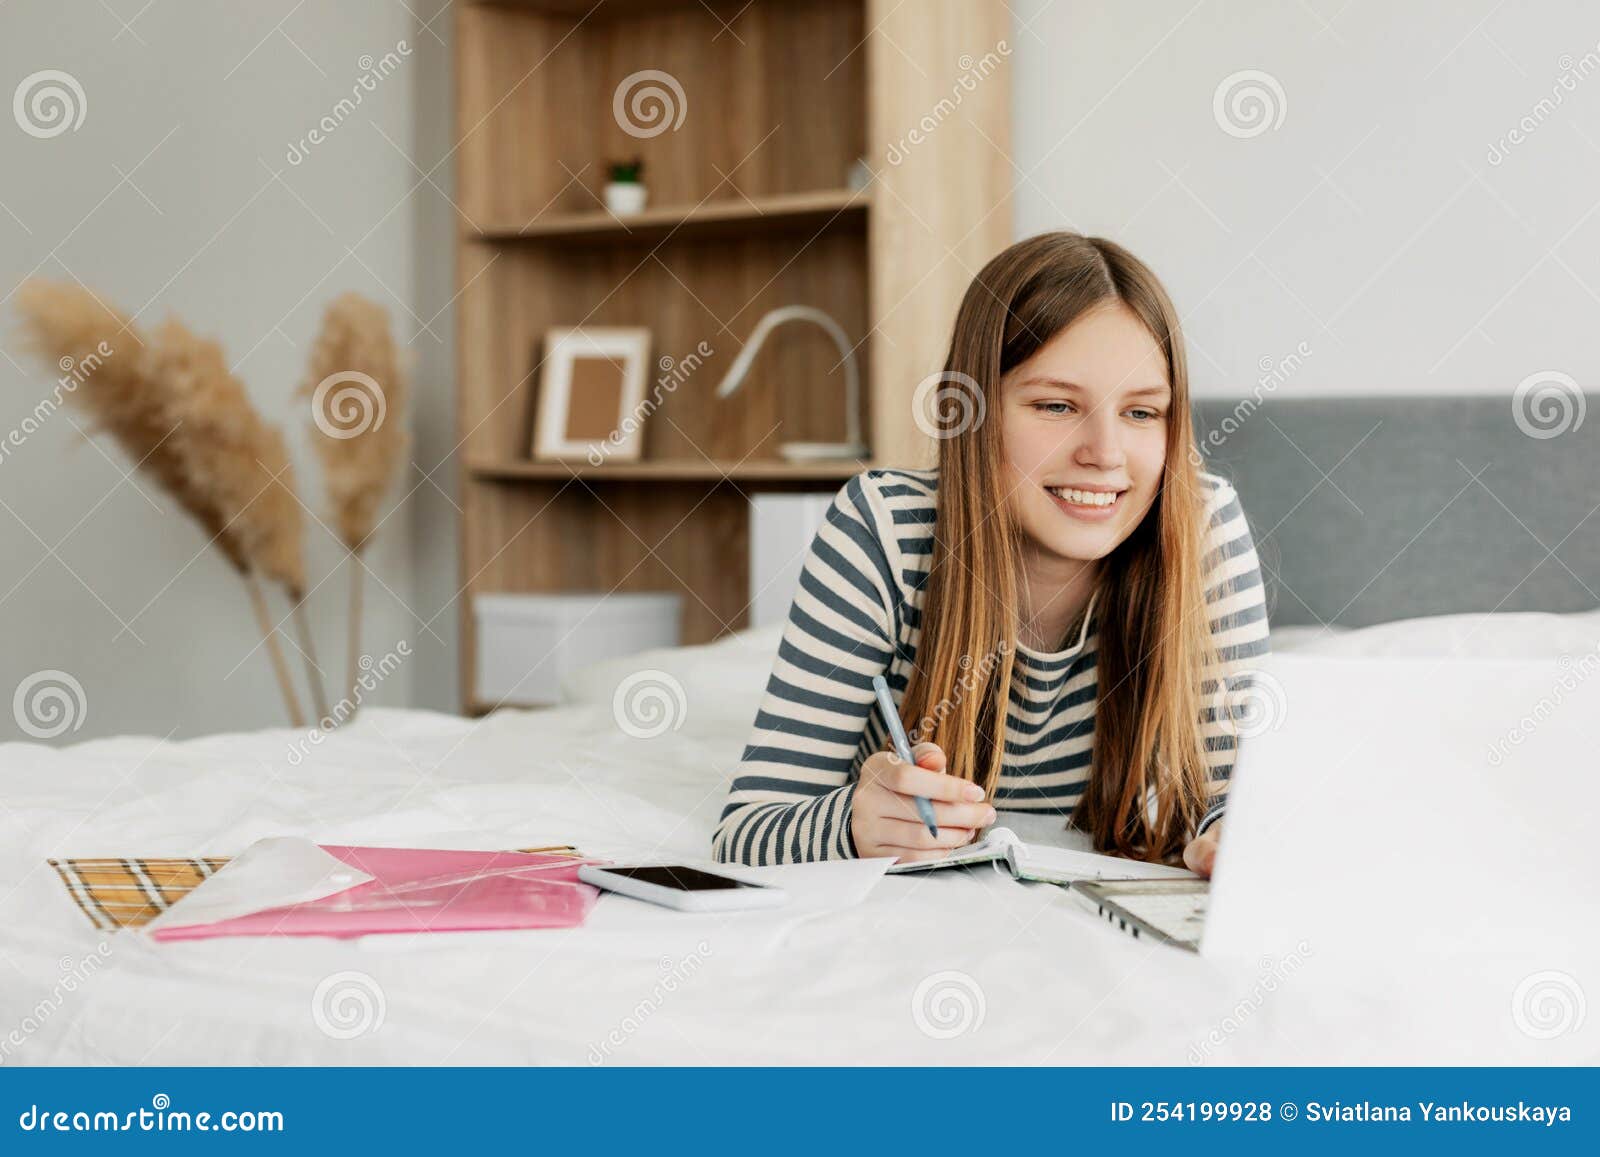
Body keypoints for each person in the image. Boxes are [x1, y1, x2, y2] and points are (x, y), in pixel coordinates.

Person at [712, 232, 1270, 877]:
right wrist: (853, 826)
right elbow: (745, 831)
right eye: (1056, 405)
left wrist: (1231, 835)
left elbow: (1228, 800)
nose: (1105, 453)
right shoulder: (884, 528)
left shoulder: (1200, 523)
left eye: (1142, 413)